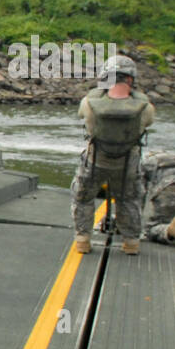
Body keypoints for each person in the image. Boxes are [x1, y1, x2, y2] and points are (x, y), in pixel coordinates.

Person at [70, 54, 154, 255]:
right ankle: (131, 242)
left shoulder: (89, 102)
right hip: (127, 162)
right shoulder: (145, 107)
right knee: (129, 199)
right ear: (131, 79)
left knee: (82, 197)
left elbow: (81, 117)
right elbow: (148, 123)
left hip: (96, 159)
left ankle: (82, 239)